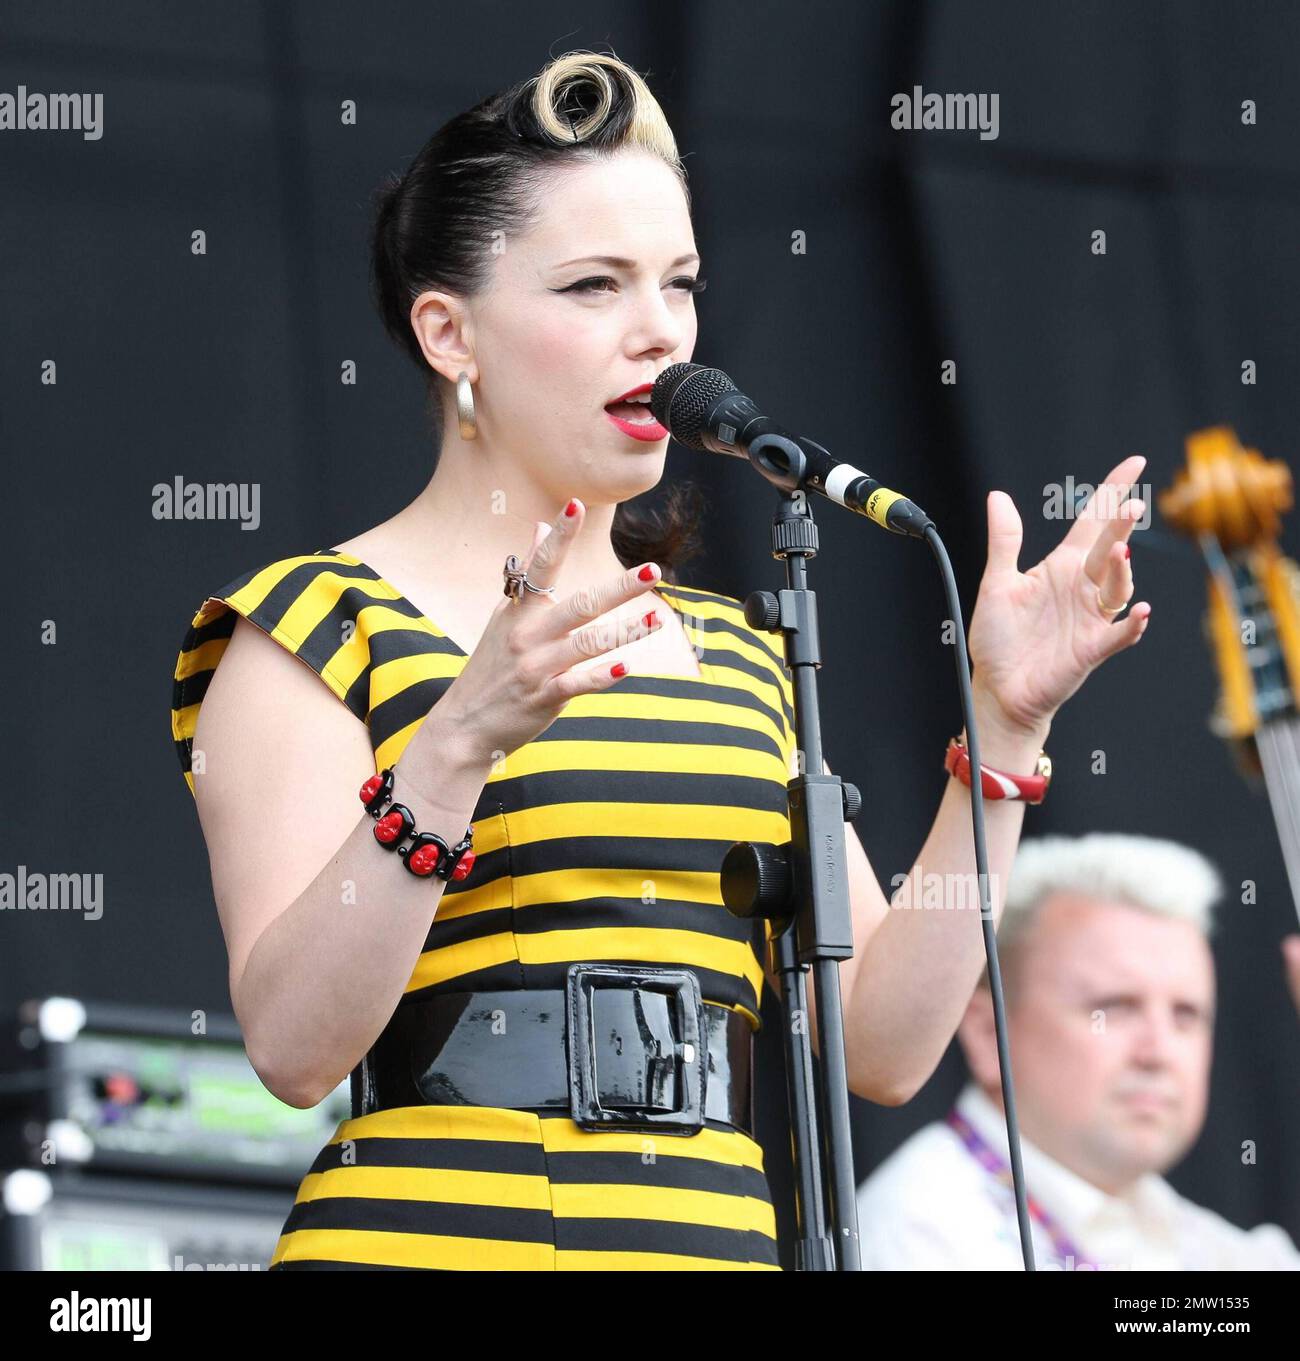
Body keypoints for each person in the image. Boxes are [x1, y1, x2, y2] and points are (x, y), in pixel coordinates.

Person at [170, 50, 1151, 1270]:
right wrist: (456, 743)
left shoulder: (739, 650)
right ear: (448, 330)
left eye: (678, 284)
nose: (659, 332)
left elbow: (884, 1047)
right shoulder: (314, 622)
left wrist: (1003, 728)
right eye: (592, 285)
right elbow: (290, 1041)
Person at [855, 832, 1300, 1270]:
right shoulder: (917, 1235)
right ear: (990, 1032)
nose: (1159, 1051)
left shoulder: (1227, 1253)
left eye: (1185, 1015)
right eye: (1115, 1007)